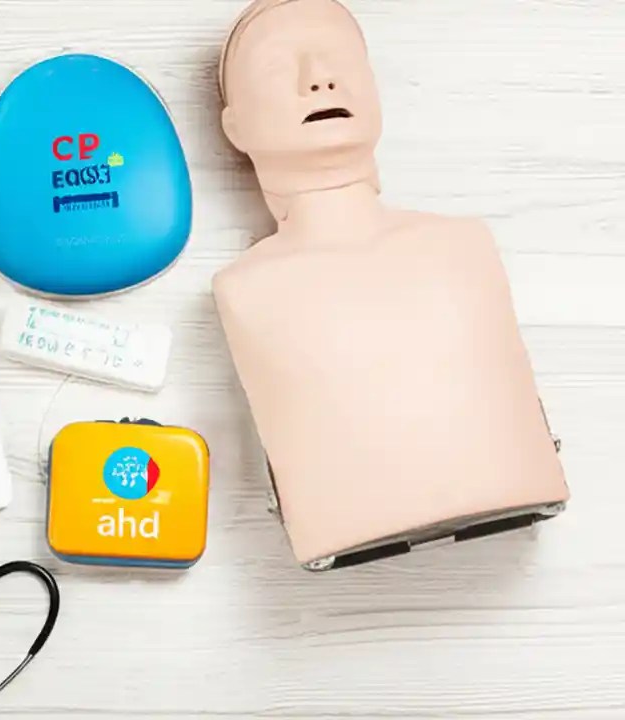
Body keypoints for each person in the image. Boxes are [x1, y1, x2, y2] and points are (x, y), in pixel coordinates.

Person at [213, 0, 568, 567]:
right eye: (282, 67)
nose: (319, 78)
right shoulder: (244, 288)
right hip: (338, 536)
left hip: (519, 493)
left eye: (342, 60)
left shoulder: (465, 244)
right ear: (235, 126)